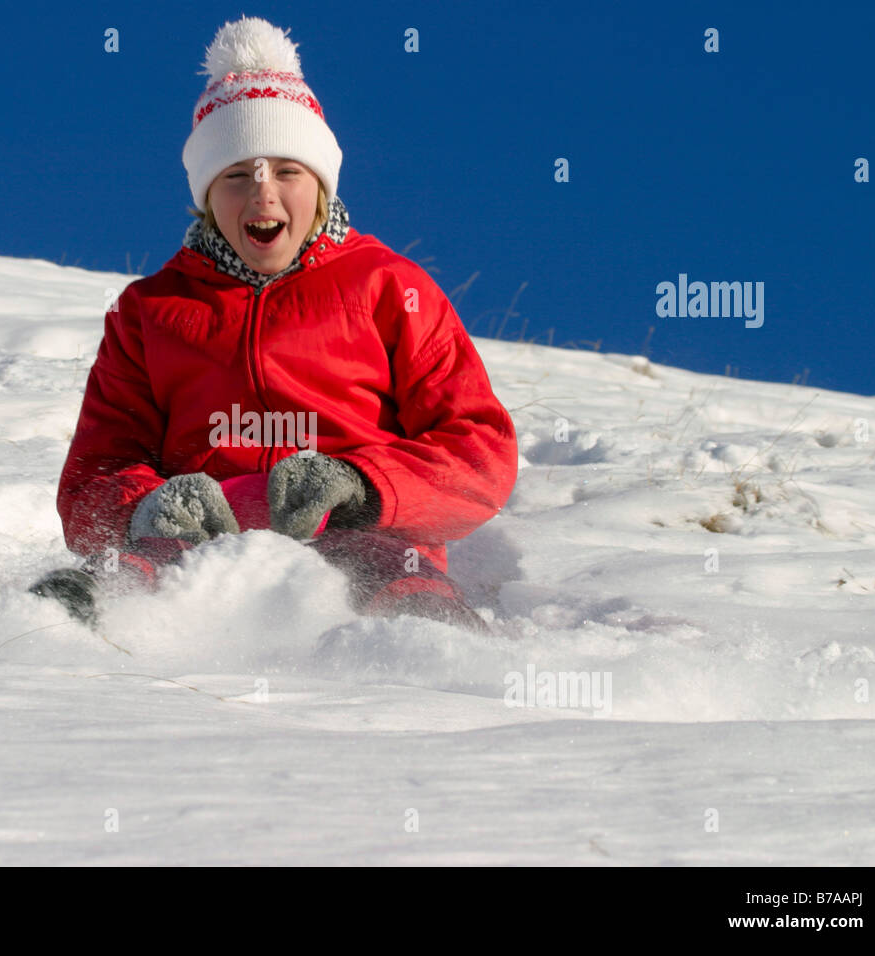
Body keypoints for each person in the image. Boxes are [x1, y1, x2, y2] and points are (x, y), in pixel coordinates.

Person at [38, 16, 518, 630]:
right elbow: (94, 474)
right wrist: (147, 506)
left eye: (286, 171)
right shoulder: (149, 312)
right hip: (203, 536)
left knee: (395, 581)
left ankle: (431, 651)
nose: (262, 194)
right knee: (137, 569)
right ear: (207, 196)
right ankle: (63, 632)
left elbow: (478, 451)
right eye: (236, 175)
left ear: (320, 186)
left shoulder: (390, 287)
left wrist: (362, 486)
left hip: (362, 532)